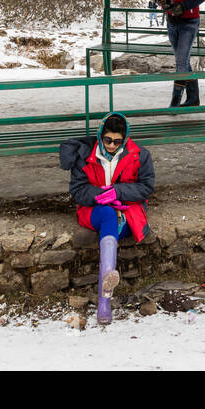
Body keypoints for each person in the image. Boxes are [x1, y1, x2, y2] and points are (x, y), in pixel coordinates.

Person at [59, 112, 155, 326]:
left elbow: (147, 187)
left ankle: (105, 298)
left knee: (113, 219)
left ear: (125, 139)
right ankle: (105, 296)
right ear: (100, 136)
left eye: (118, 141)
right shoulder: (85, 155)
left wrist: (118, 192)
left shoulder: (140, 155)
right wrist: (100, 196)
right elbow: (77, 190)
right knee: (108, 215)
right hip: (94, 210)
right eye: (108, 140)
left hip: (128, 210)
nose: (112, 145)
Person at [155, 0, 205, 107]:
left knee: (180, 62)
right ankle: (193, 98)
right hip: (172, 22)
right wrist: (160, 1)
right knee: (183, 61)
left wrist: (183, 6)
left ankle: (175, 102)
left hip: (189, 22)